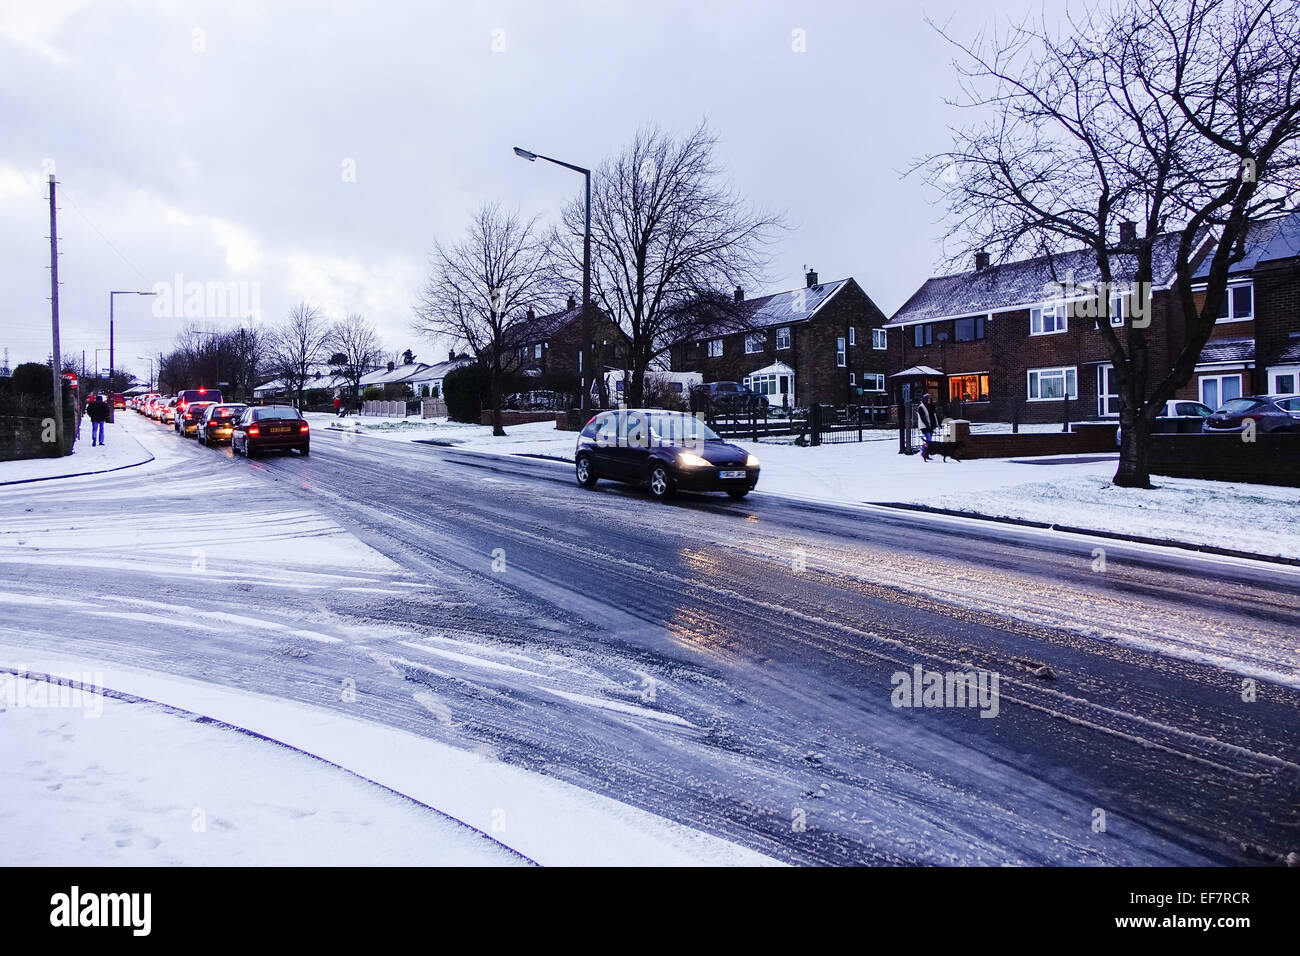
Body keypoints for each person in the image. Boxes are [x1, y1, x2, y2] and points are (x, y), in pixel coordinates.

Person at [915, 393, 937, 462]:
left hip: (931, 426)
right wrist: (927, 425)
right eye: (928, 399)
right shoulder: (921, 407)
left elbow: (933, 415)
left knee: (929, 441)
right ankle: (924, 452)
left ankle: (925, 452)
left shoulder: (930, 406)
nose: (929, 400)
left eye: (930, 399)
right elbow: (923, 418)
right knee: (929, 440)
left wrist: (935, 424)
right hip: (925, 426)